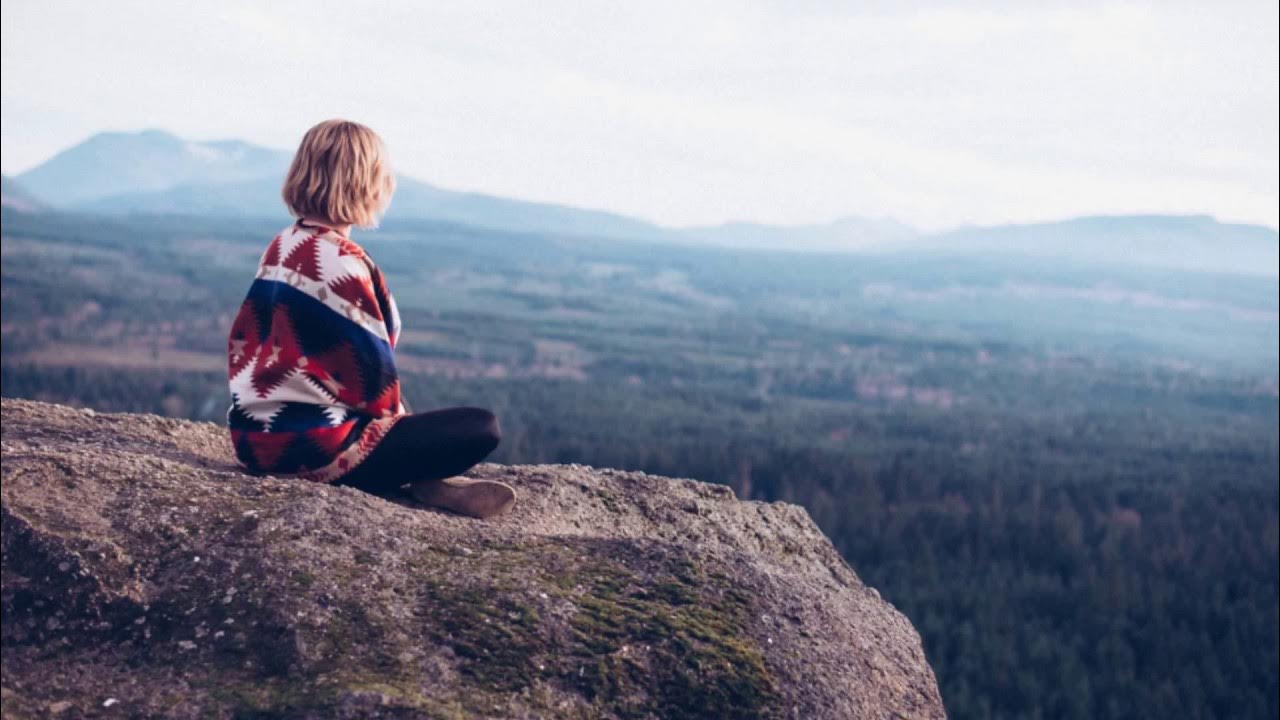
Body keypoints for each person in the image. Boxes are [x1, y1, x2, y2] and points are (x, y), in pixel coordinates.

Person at [226, 119, 516, 519]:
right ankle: (425, 483)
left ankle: (426, 482)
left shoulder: (283, 243)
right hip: (315, 448)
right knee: (481, 428)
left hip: (253, 438)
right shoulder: (343, 261)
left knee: (418, 428)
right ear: (366, 182)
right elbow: (374, 386)